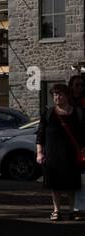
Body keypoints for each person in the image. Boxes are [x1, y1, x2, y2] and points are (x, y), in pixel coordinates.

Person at [35, 82, 84, 221]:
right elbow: (40, 135)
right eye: (55, 95)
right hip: (53, 154)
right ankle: (56, 210)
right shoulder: (49, 113)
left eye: (60, 94)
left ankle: (72, 211)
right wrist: (39, 153)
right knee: (55, 184)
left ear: (67, 96)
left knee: (72, 185)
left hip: (72, 154)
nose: (57, 97)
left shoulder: (78, 113)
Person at [70, 73, 85, 218]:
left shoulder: (83, 102)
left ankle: (79, 208)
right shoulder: (67, 103)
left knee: (82, 176)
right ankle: (75, 208)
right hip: (70, 144)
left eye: (82, 85)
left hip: (82, 144)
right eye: (76, 85)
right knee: (75, 177)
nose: (79, 88)